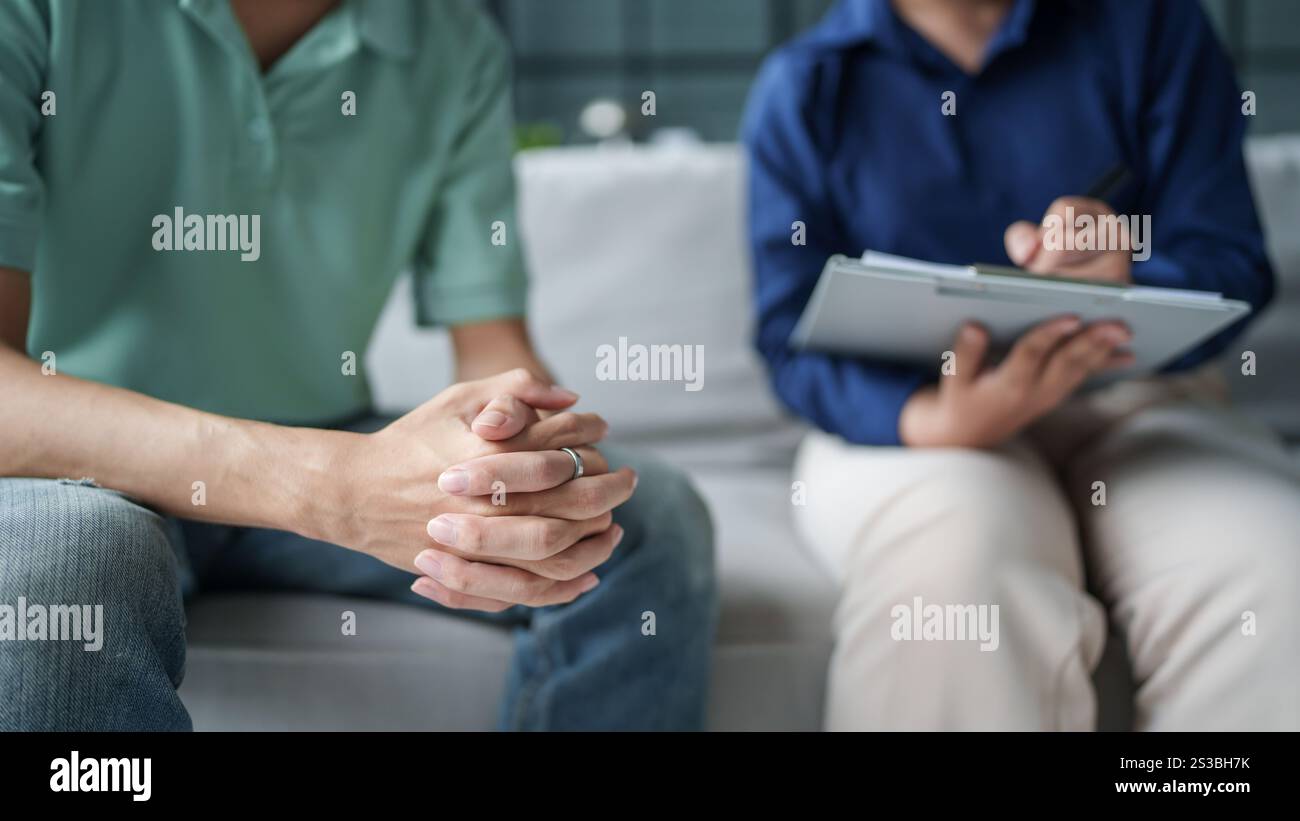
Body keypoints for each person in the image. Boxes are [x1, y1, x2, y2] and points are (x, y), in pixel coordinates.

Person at [0, 0, 717, 731]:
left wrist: (520, 452)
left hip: (320, 429)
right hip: (79, 469)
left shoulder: (452, 40)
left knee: (636, 518)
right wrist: (333, 485)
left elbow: (494, 345)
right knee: (64, 557)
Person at [744, 0, 1300, 730]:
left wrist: (1126, 278)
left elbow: (1230, 259)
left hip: (1138, 396)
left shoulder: (1155, 26)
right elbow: (790, 337)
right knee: (954, 573)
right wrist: (929, 418)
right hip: (915, 421)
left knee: (1271, 569)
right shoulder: (805, 87)